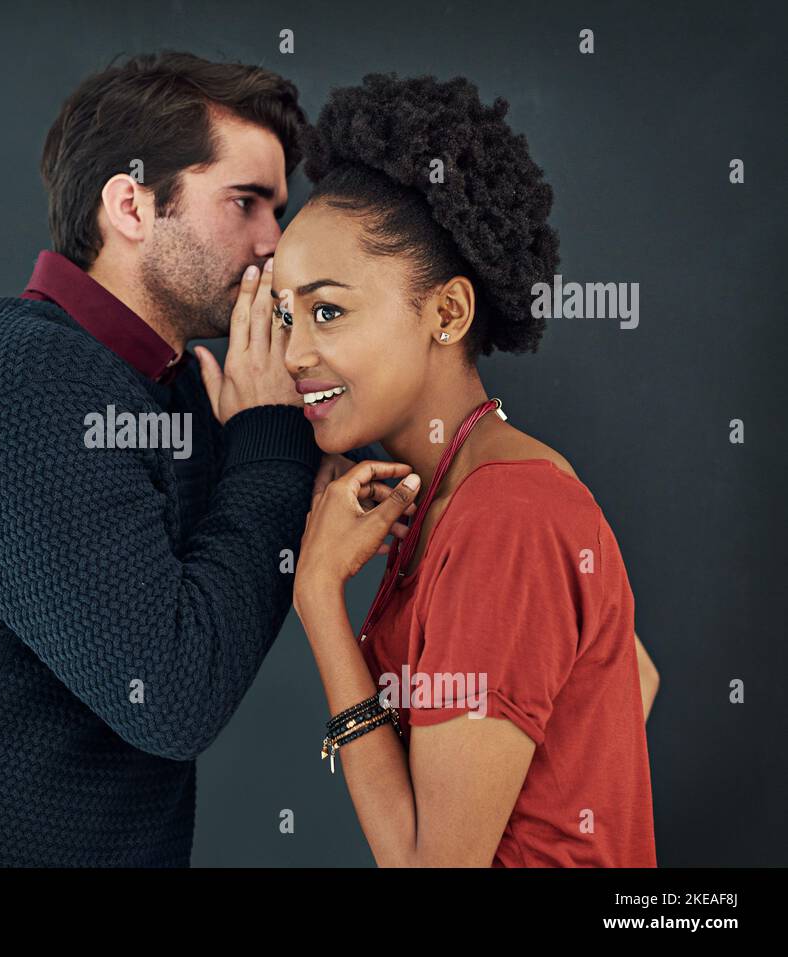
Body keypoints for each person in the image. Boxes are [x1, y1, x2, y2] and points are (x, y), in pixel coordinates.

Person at [0, 51, 333, 867]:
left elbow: (265, 522)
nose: (274, 245)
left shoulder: (171, 382)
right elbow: (176, 695)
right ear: (132, 205)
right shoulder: (23, 381)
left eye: (279, 210)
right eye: (246, 203)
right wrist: (266, 442)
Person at [273, 74, 659, 866]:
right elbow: (634, 677)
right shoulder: (474, 490)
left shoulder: (505, 515)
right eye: (284, 314)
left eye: (327, 310)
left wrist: (317, 596)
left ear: (447, 313)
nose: (293, 353)